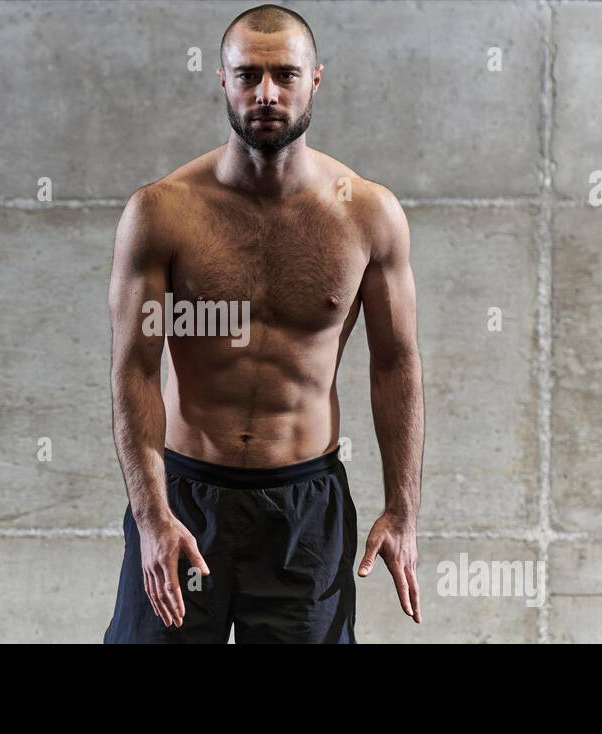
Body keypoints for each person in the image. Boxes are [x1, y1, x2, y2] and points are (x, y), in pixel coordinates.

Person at [103, 3, 424, 643]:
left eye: (285, 74)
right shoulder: (161, 213)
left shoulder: (367, 214)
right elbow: (134, 370)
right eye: (248, 75)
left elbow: (396, 364)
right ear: (223, 80)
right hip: (185, 498)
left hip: (304, 507)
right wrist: (151, 515)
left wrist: (403, 509)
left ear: (315, 80)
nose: (267, 93)